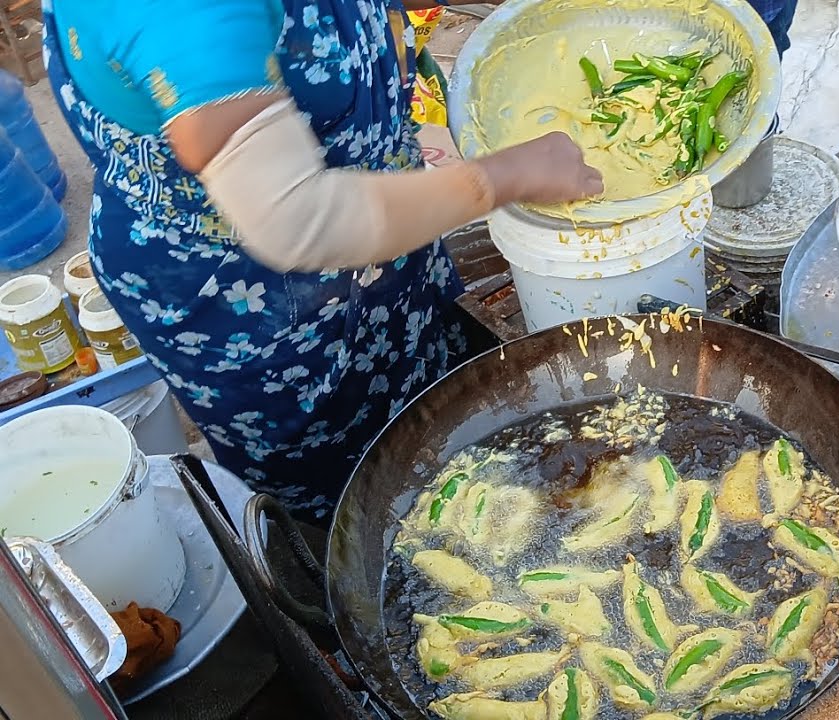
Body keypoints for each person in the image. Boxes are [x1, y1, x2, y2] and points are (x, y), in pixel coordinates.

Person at [43, 0, 603, 519]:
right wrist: (504, 177)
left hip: (380, 237)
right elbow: (295, 219)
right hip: (256, 307)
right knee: (357, 494)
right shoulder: (181, 13)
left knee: (431, 420)